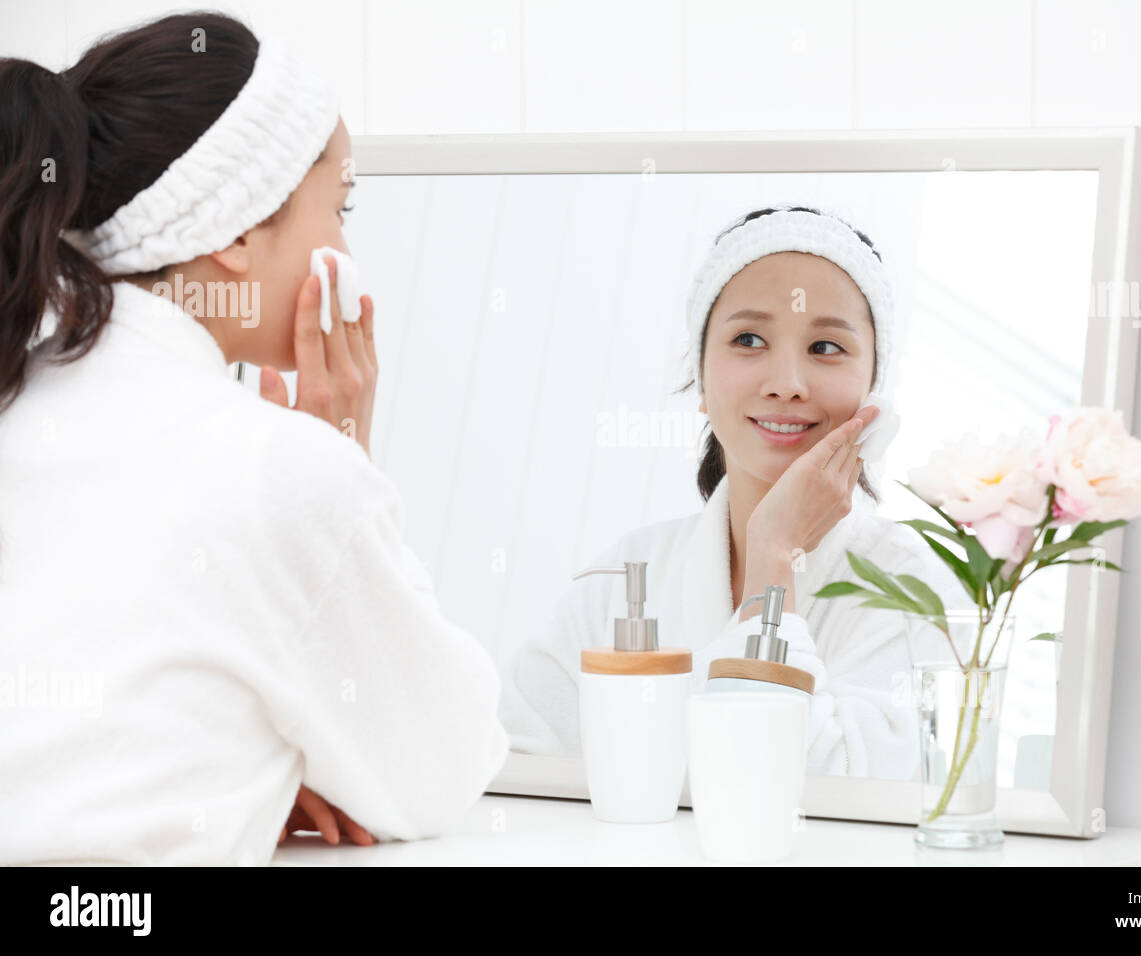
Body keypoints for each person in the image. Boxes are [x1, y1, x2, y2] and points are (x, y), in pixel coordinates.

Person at [0, 12, 507, 864]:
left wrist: (257, 762)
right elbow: (444, 767)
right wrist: (344, 457)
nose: (346, 245)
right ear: (235, 232)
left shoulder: (18, 399)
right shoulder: (279, 468)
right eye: (338, 208)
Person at [500, 205, 968, 779]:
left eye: (825, 347)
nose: (787, 385)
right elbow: (520, 773)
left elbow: (835, 800)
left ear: (875, 390)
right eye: (749, 339)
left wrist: (774, 560)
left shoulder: (912, 589)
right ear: (700, 378)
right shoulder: (623, 579)